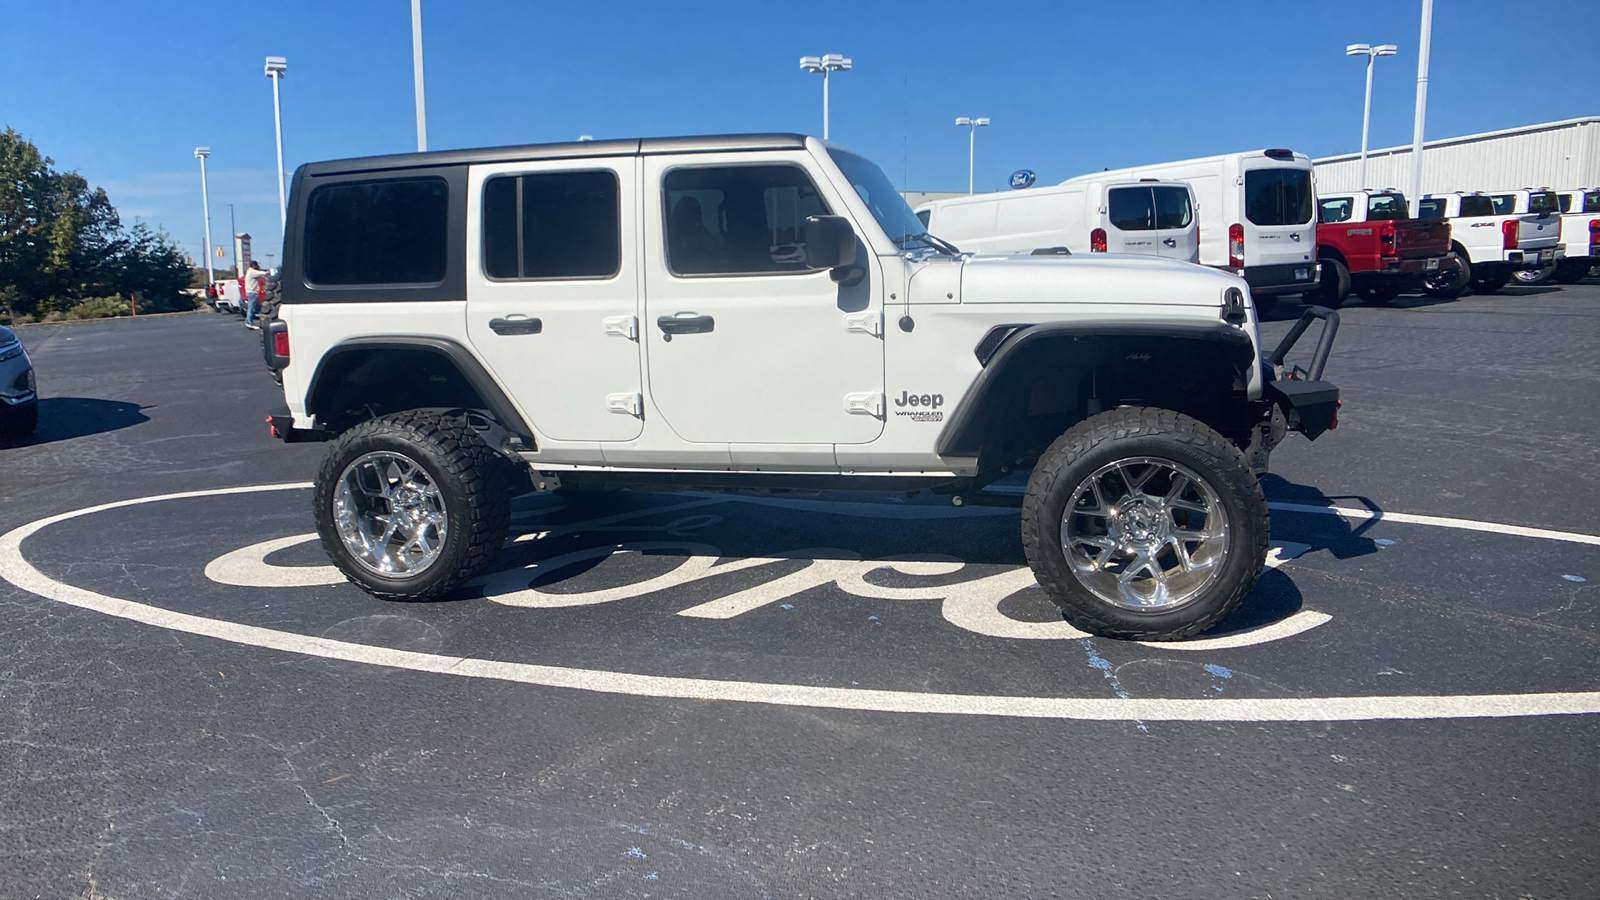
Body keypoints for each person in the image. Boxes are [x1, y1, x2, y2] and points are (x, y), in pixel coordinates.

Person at [242, 260, 266, 329]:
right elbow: (261, 273)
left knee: (253, 308)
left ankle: (248, 321)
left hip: (251, 292)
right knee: (251, 308)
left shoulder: (250, 271)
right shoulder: (252, 271)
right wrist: (268, 272)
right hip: (252, 292)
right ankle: (249, 322)